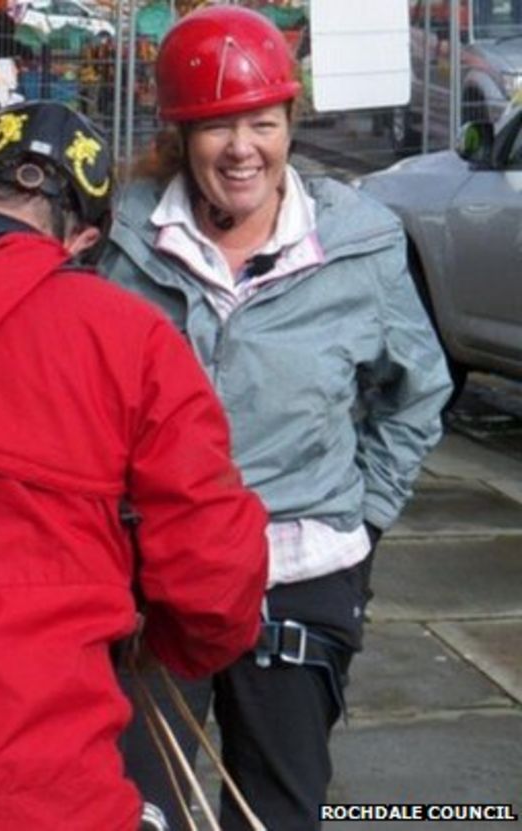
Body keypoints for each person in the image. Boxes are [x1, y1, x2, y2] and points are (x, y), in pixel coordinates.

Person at [98, 6, 453, 830]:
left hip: (300, 573)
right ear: (180, 134)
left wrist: (362, 511)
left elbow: (418, 391)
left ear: (291, 122)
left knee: (278, 809)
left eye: (263, 121)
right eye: (217, 126)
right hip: (153, 575)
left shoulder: (358, 245)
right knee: (134, 805)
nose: (242, 148)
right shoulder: (123, 244)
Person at [0, 100, 269, 831]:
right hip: (44, 783)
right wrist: (155, 643)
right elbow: (216, 574)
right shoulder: (129, 341)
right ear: (85, 236)